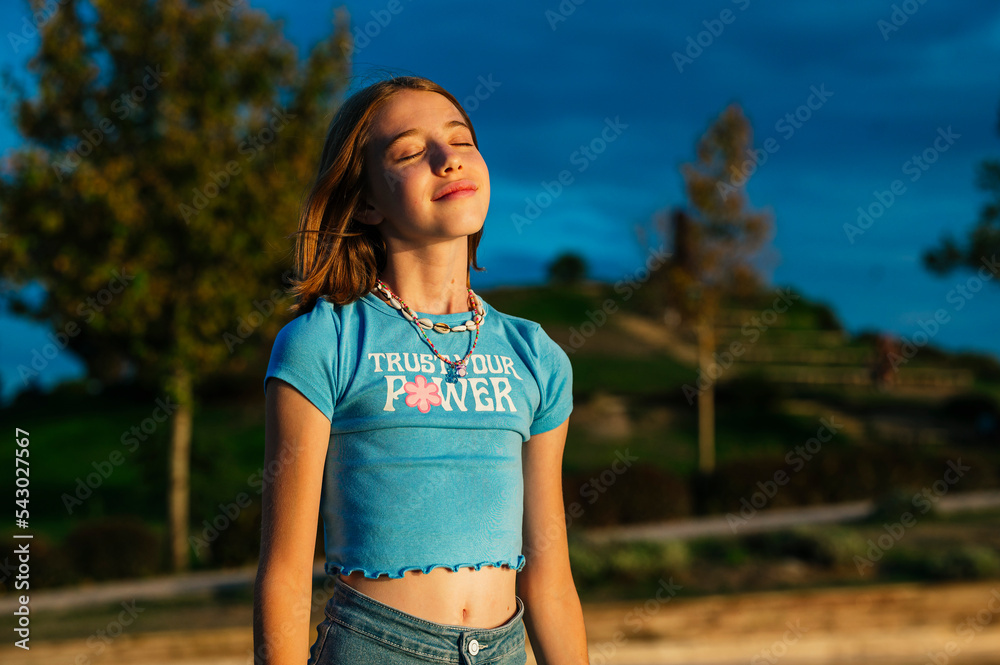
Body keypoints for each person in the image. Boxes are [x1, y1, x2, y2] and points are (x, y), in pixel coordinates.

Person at [253, 74, 589, 665]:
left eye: (461, 141)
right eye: (409, 152)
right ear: (366, 202)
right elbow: (284, 573)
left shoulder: (537, 357)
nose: (447, 159)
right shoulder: (325, 341)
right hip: (375, 646)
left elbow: (549, 576)